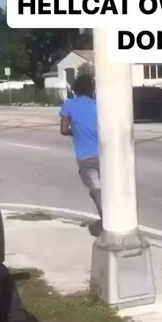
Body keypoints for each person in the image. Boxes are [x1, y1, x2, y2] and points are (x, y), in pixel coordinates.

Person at [59, 73, 101, 222]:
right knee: (107, 190)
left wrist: (75, 132)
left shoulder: (69, 104)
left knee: (96, 190)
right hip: (104, 155)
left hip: (85, 156)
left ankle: (108, 222)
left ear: (75, 88)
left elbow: (63, 130)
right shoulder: (97, 104)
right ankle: (110, 220)